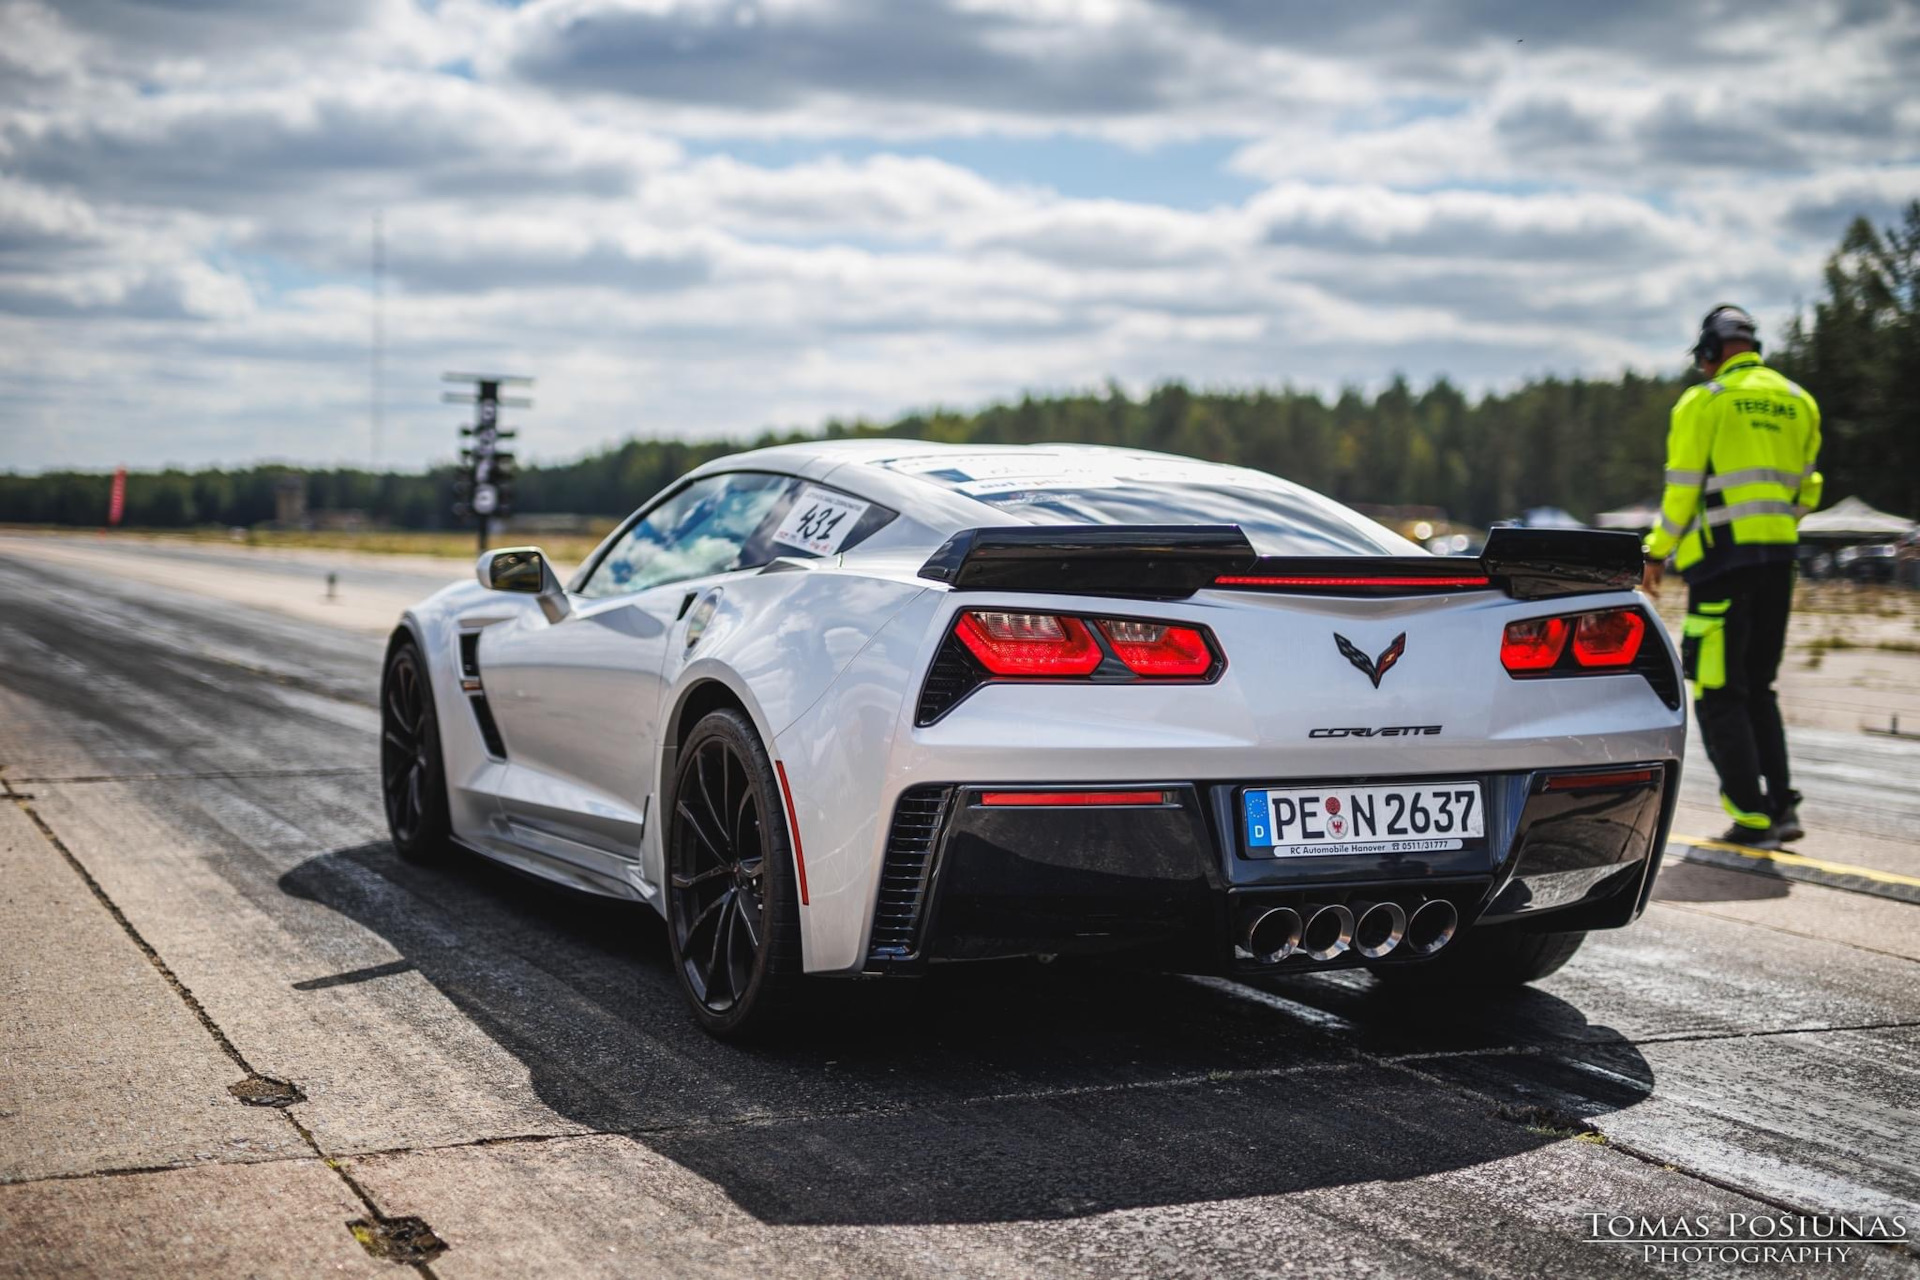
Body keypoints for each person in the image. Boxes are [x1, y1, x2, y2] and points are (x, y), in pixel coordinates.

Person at [1641, 305, 1822, 850]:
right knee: (1758, 688)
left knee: (1720, 693)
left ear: (1710, 352)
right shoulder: (1799, 401)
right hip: (1777, 563)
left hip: (1722, 567)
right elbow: (1808, 489)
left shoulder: (1707, 400)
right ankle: (1783, 806)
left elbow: (1682, 490)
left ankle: (1751, 815)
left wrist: (1656, 552)